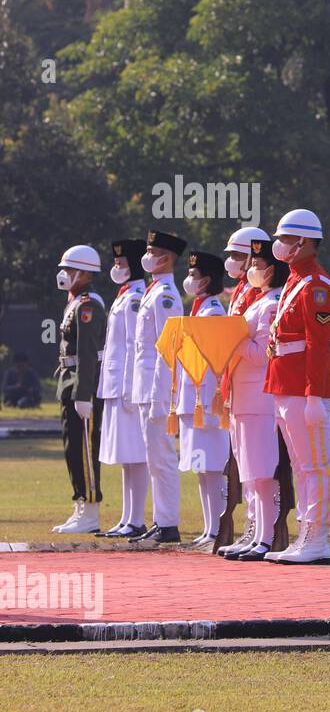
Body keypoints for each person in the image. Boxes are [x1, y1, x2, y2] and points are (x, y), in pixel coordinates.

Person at [263, 208, 330, 565]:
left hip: (303, 388)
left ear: (304, 242)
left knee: (315, 465)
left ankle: (317, 536)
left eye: (284, 240)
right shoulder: (296, 282)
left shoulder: (317, 287)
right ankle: (304, 533)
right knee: (300, 464)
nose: (279, 247)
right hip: (285, 382)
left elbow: (317, 344)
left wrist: (314, 394)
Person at [221, 239, 287, 561]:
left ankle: (266, 536)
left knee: (262, 472)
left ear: (270, 270)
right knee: (249, 470)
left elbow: (262, 354)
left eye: (256, 266)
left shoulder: (271, 305)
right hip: (242, 396)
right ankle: (256, 534)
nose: (250, 271)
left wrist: (229, 342)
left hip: (259, 397)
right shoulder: (257, 303)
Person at [213, 224, 272, 550]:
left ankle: (261, 531)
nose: (237, 263)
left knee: (259, 466)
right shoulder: (244, 293)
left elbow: (256, 347)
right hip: (237, 387)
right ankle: (252, 528)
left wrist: (227, 339)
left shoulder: (261, 297)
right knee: (246, 465)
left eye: (242, 257)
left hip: (256, 390)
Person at [132, 230, 185, 543]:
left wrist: (161, 396)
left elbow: (169, 350)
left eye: (153, 251)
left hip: (158, 389)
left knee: (162, 456)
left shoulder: (167, 295)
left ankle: (168, 524)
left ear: (166, 258)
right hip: (145, 385)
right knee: (154, 456)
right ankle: (161, 520)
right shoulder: (155, 290)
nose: (148, 255)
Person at [175, 252, 231, 546]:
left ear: (207, 280)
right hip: (192, 397)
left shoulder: (213, 313)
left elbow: (214, 364)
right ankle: (210, 528)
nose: (189, 280)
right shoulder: (198, 311)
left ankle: (221, 526)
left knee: (214, 467)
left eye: (194, 275)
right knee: (200, 467)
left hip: (207, 400)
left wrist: (210, 403)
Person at [95, 239, 149, 539]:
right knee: (125, 458)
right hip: (116, 383)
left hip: (127, 386)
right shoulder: (124, 295)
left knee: (136, 455)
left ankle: (137, 518)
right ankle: (128, 517)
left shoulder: (134, 298)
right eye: (116, 263)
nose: (117, 268)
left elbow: (133, 346)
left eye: (122, 263)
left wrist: (130, 388)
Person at [51, 245, 105, 534]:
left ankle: (91, 510)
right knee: (73, 448)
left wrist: (84, 394)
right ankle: (80, 504)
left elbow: (86, 353)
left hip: (82, 386)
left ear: (84, 274)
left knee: (85, 450)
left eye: (70, 270)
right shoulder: (74, 302)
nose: (64, 275)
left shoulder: (88, 305)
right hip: (68, 383)